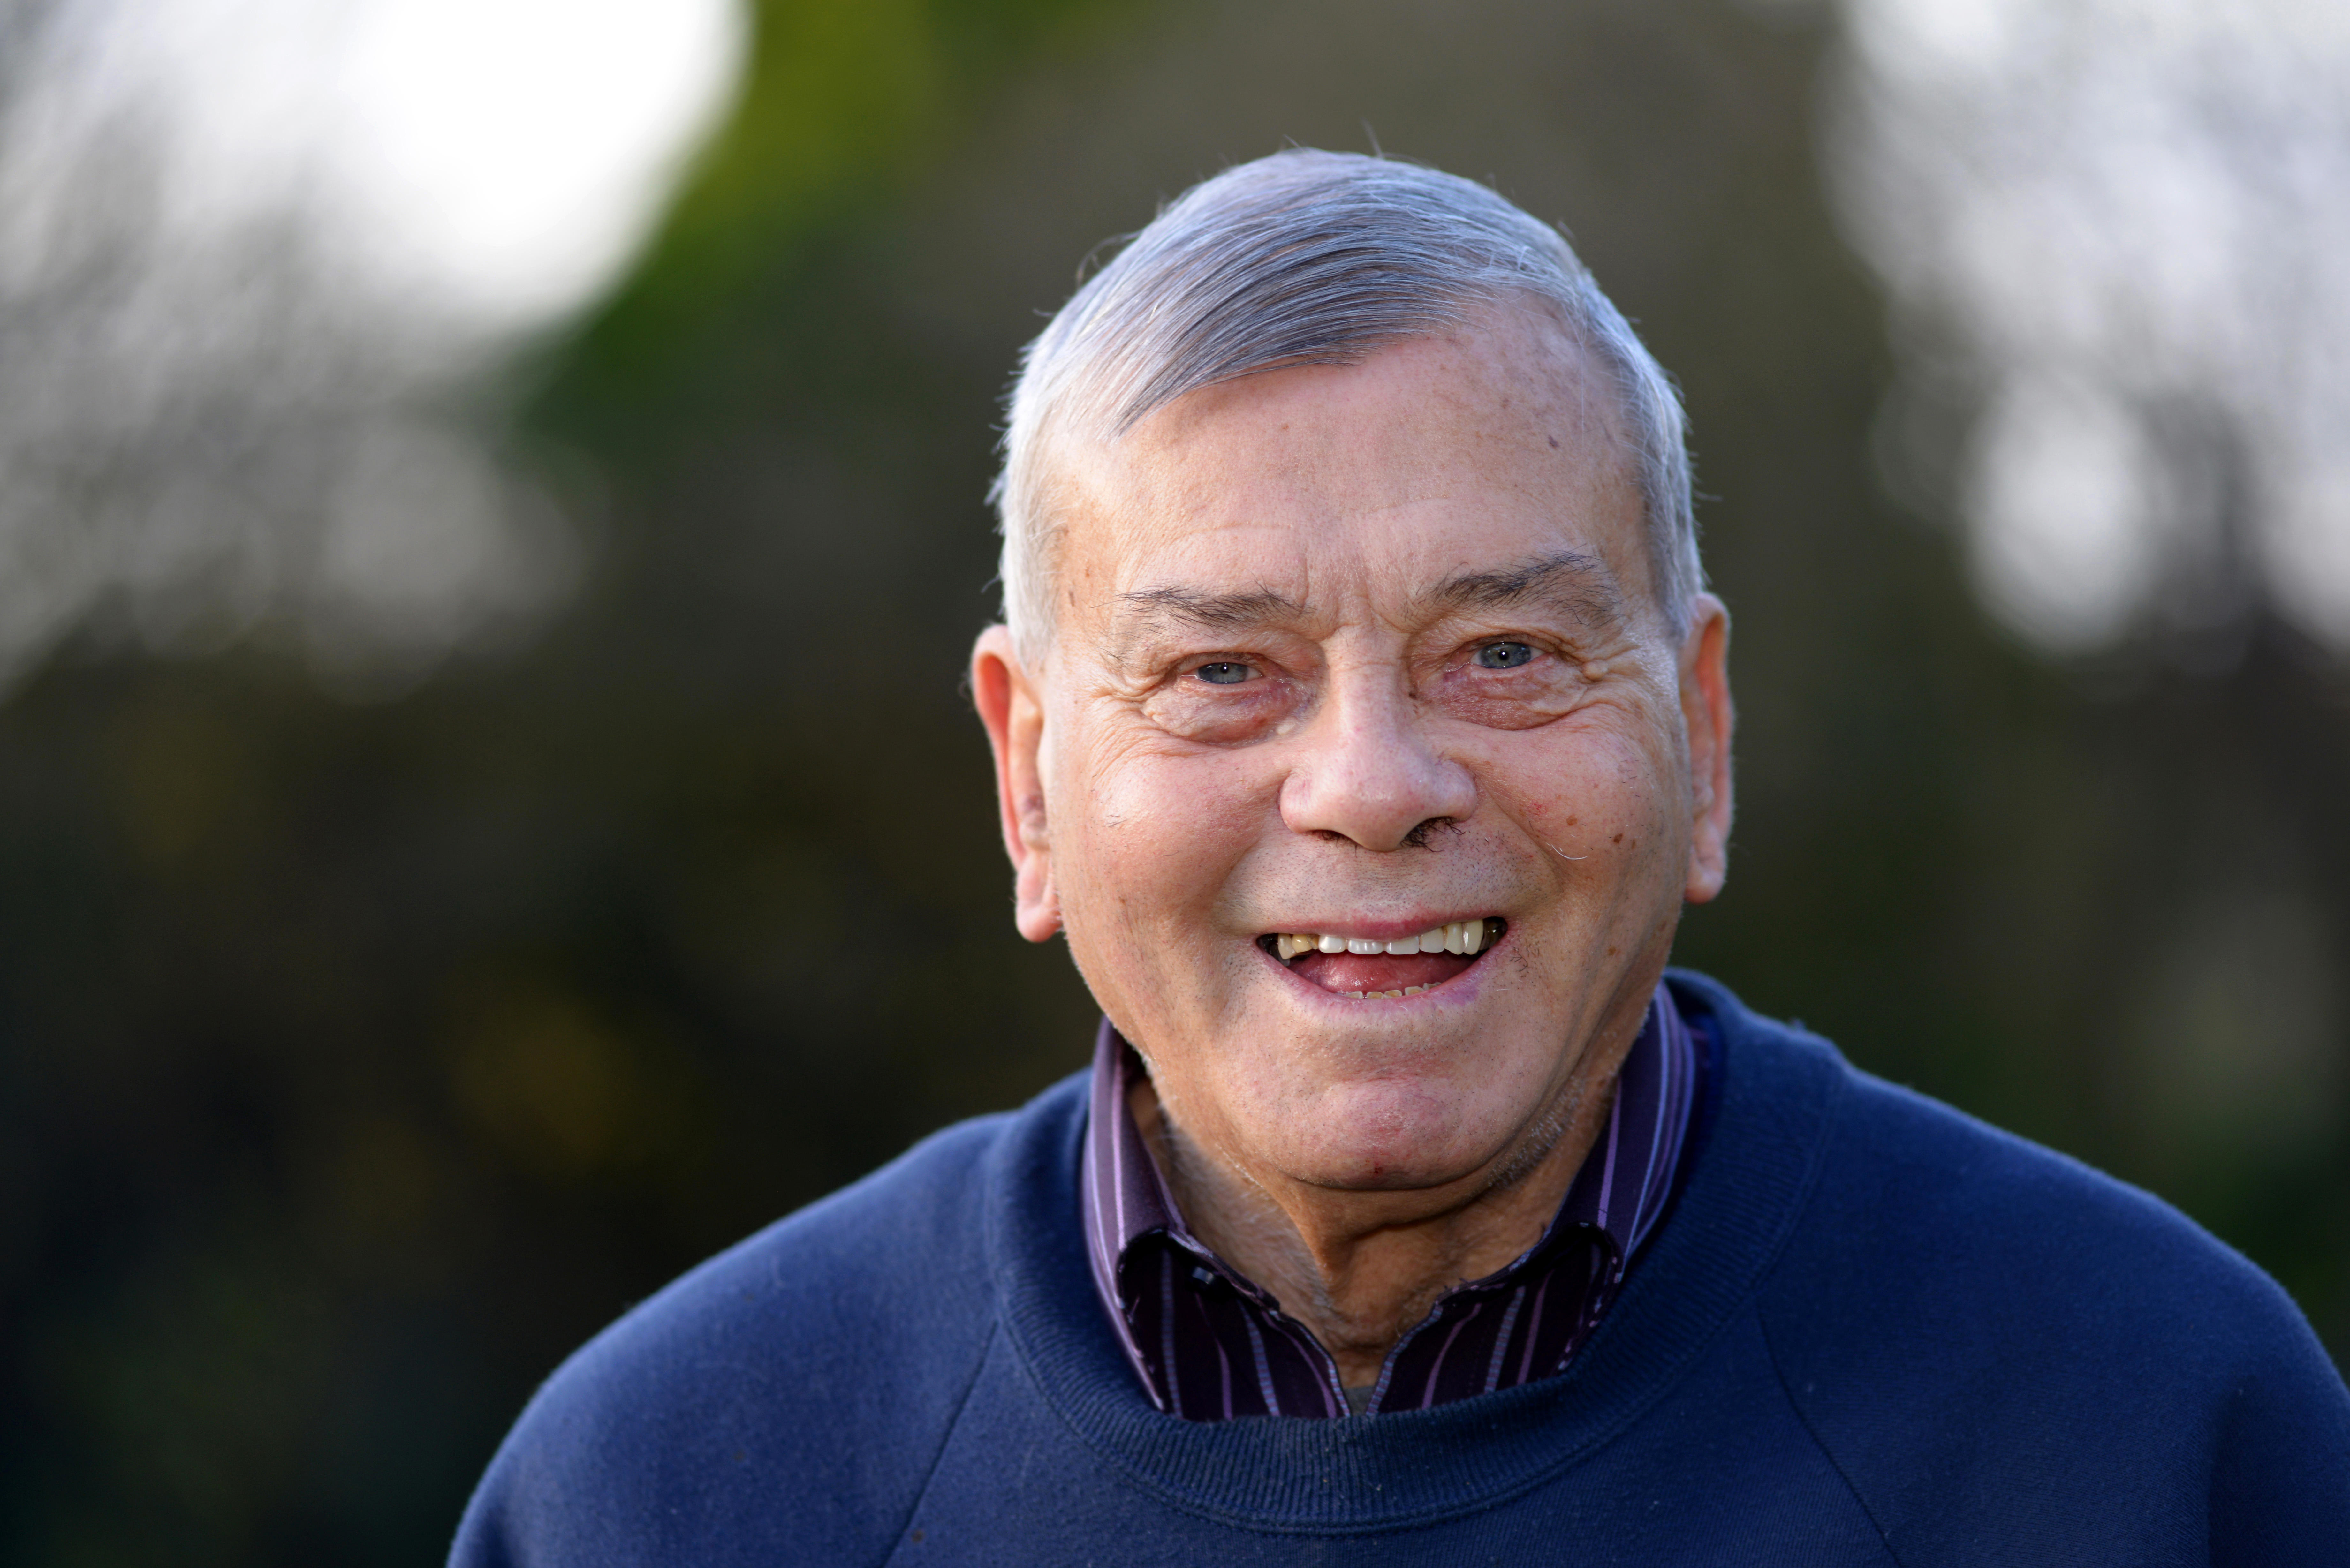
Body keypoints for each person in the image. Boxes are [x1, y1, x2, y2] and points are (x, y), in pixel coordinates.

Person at [448, 151, 2348, 1565]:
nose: (1369, 784)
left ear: (1704, 738)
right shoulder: (662, 1493)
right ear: (1028, 778)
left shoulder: (2158, 1436)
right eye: (1221, 672)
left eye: (1506, 652)